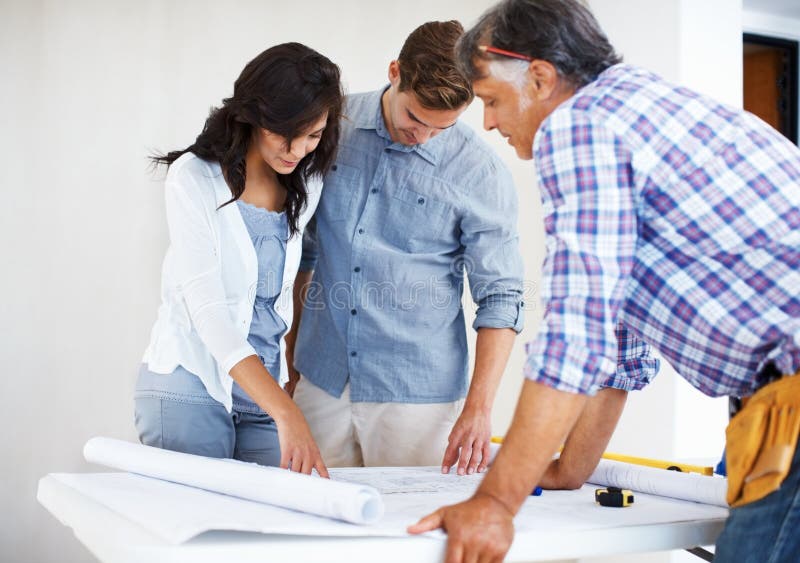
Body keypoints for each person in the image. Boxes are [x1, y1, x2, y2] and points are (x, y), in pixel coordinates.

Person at [408, 1, 800, 561]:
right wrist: (568, 470)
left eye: (491, 99)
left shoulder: (579, 122)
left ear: (540, 78)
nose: (488, 122)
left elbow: (577, 331)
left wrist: (494, 502)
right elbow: (617, 341)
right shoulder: (637, 106)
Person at [286, 21, 525, 473]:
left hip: (418, 401)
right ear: (395, 72)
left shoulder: (481, 173)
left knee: (409, 516)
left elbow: (501, 297)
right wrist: (292, 354)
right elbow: (305, 250)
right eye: (415, 118)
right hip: (321, 378)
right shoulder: (332, 127)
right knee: (310, 513)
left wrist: (479, 409)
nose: (423, 136)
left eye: (442, 128)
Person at [136, 43, 344, 476]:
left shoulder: (306, 181)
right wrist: (287, 411)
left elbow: (279, 299)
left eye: (313, 135)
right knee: (202, 517)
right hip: (192, 383)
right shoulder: (194, 177)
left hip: (262, 395)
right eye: (286, 132)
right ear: (254, 114)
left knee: (279, 513)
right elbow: (209, 313)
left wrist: (284, 387)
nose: (297, 149)